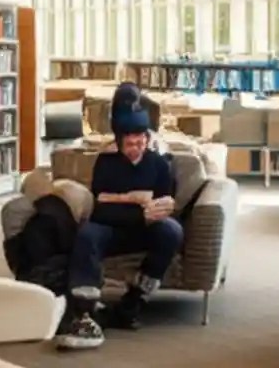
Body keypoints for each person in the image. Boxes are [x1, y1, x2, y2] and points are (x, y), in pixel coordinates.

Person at [55, 107, 183, 350]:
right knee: (87, 234)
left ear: (147, 139)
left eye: (140, 142)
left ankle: (133, 301)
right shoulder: (106, 163)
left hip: (146, 230)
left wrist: (125, 201)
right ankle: (83, 311)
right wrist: (138, 207)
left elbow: (163, 206)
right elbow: (100, 208)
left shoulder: (159, 164)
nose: (135, 148)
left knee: (171, 231)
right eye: (129, 144)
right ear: (119, 143)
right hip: (112, 228)